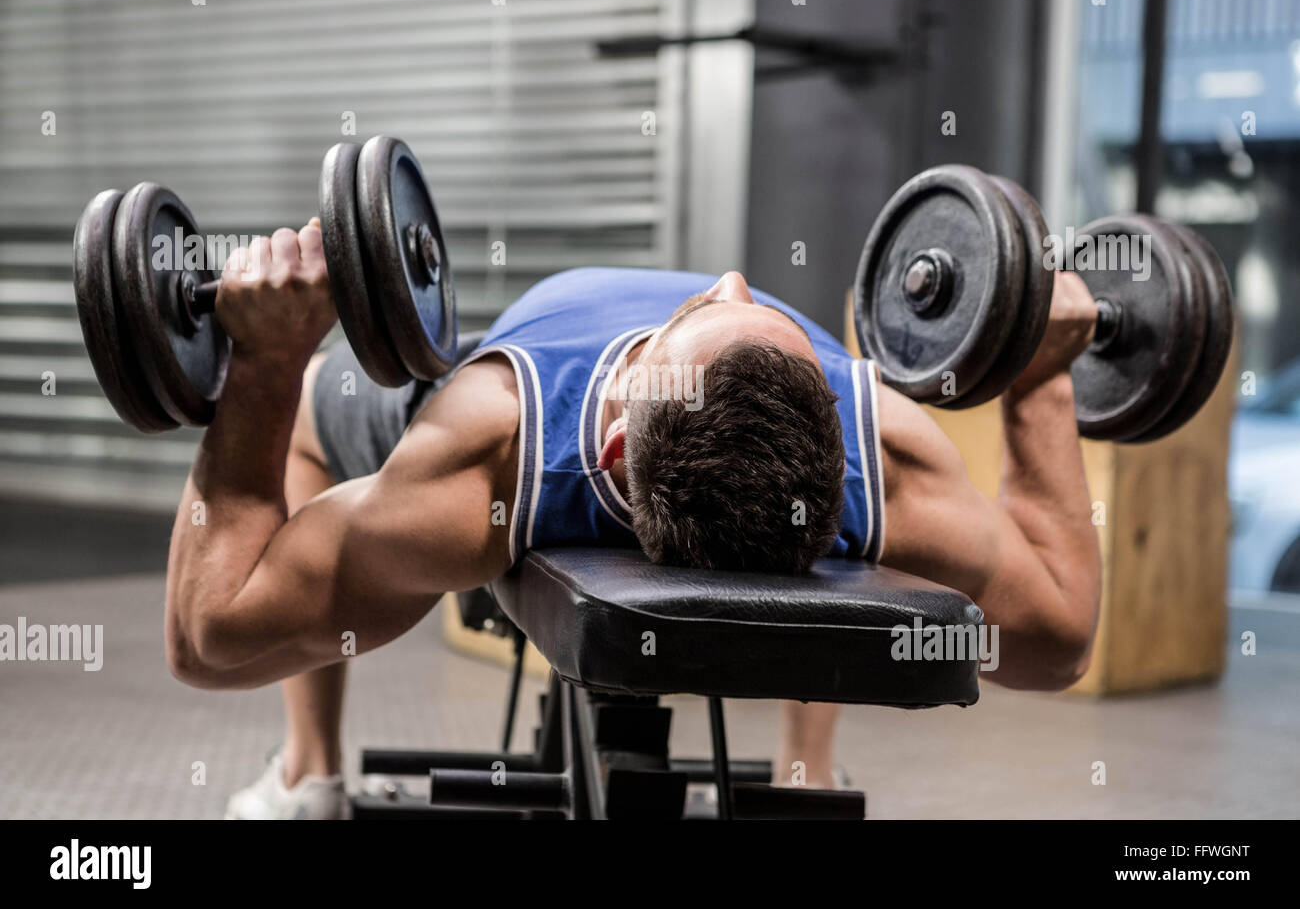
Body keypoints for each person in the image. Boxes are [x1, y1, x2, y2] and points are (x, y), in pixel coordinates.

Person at [166, 220, 1101, 818]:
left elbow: (209, 637)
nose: (734, 277)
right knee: (841, 535)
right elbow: (1057, 637)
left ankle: (309, 775)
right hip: (579, 369)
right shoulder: (885, 461)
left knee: (311, 426)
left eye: (704, 307)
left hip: (546, 387)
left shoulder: (482, 457)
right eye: (729, 305)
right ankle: (806, 775)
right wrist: (1044, 379)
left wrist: (267, 365)